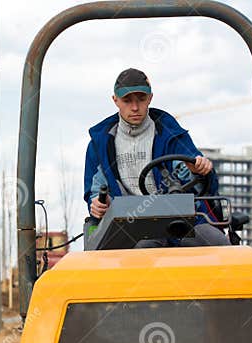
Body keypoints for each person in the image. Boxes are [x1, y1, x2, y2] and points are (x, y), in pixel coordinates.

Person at [84, 68, 229, 248]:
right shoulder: (100, 144)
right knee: (146, 247)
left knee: (219, 244)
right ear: (115, 100)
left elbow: (199, 178)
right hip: (131, 224)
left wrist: (198, 169)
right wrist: (97, 203)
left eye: (141, 100)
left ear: (150, 98)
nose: (135, 107)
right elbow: (95, 191)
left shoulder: (171, 134)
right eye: (127, 101)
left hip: (180, 219)